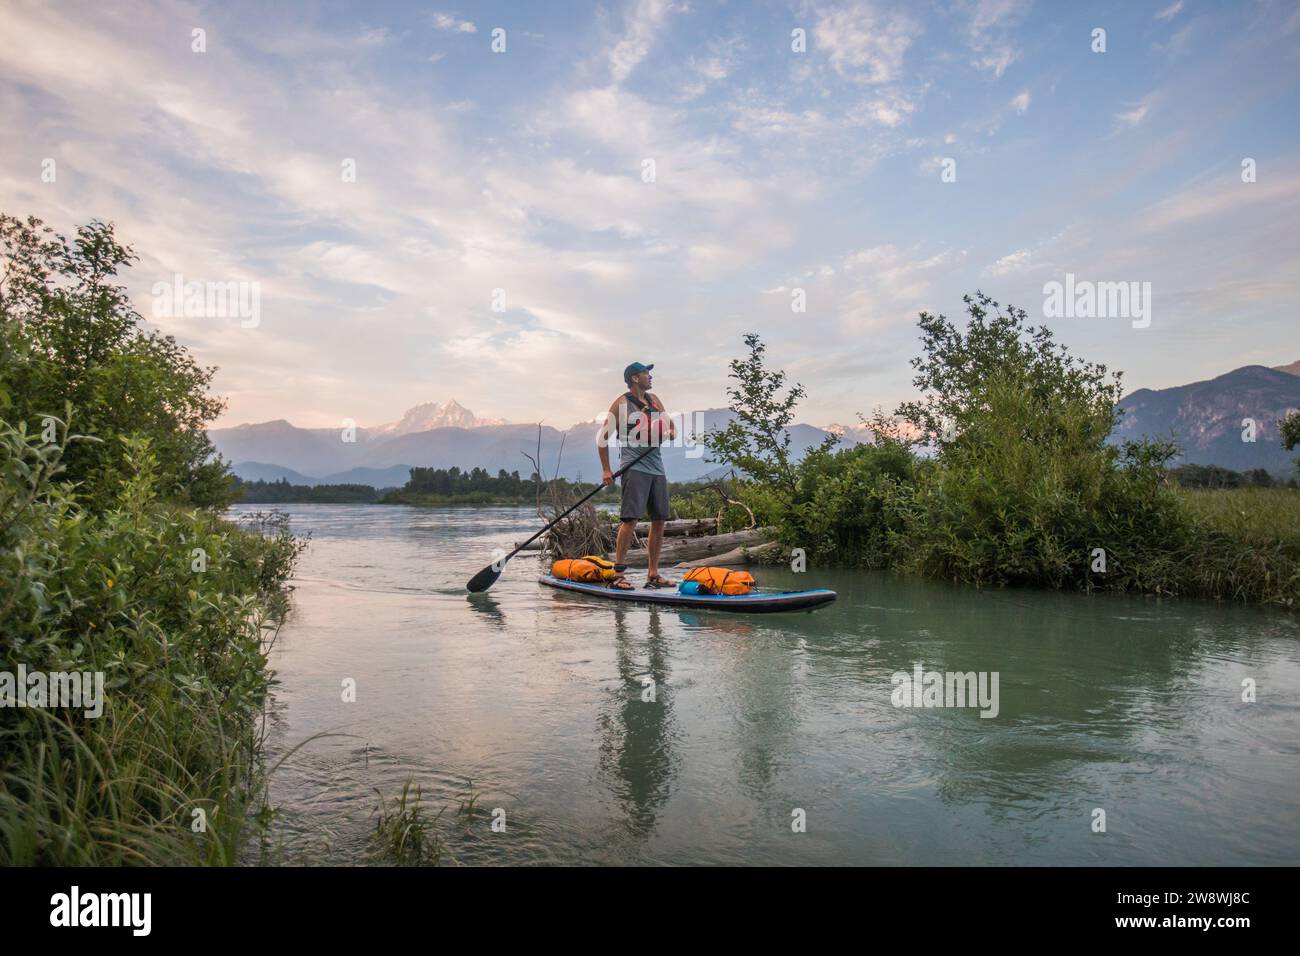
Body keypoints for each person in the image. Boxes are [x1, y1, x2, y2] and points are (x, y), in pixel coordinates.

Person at [597, 361, 677, 589]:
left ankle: (653, 574)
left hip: (657, 467)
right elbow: (603, 437)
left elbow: (671, 427)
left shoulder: (655, 400)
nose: (650, 377)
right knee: (630, 519)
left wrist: (670, 432)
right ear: (634, 378)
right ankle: (618, 574)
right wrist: (606, 469)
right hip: (633, 466)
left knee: (659, 519)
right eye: (646, 373)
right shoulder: (621, 403)